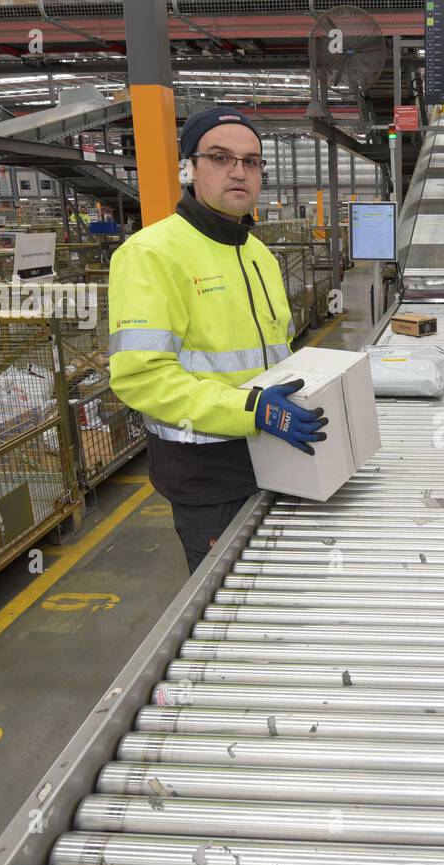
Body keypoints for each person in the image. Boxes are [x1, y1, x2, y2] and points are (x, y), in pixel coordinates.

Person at [109, 106, 327, 573]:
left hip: (272, 455)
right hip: (205, 472)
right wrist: (252, 409)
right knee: (234, 609)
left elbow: (277, 351)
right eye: (221, 157)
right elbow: (140, 379)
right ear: (189, 167)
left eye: (251, 162)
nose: (239, 171)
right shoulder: (151, 254)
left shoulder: (258, 253)